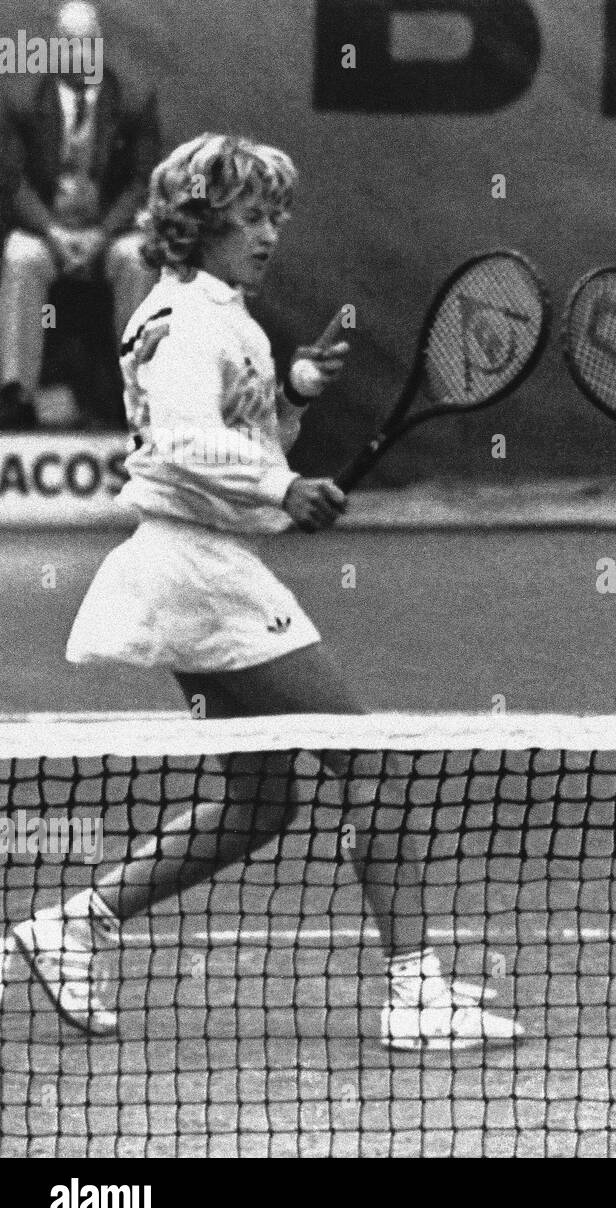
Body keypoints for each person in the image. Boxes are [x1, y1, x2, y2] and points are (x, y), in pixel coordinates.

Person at [3, 133, 520, 1052]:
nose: (270, 231)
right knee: (371, 762)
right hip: (201, 570)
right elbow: (186, 443)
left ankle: (69, 926)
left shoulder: (215, 314)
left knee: (260, 800)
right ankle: (413, 990)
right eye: (250, 216)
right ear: (198, 224)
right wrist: (283, 487)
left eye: (278, 215)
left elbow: (244, 439)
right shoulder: (193, 322)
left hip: (191, 565)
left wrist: (294, 393)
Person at [0, 2, 159, 429]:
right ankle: (16, 394)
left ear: (99, 44)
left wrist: (101, 235)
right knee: (20, 255)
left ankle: (140, 394)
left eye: (86, 44)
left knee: (138, 255)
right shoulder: (19, 98)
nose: (77, 54)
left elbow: (142, 182)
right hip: (47, 230)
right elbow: (12, 183)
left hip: (108, 232)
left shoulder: (133, 98)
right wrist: (51, 232)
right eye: (67, 45)